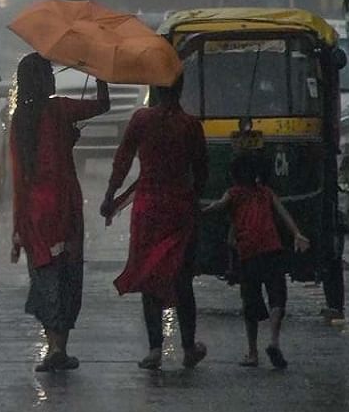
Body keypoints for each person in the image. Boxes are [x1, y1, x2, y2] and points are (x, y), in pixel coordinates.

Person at [10, 53, 110, 371]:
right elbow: (101, 105)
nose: (54, 78)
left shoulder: (19, 120)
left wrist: (17, 228)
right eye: (49, 73)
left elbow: (18, 178)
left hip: (35, 213)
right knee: (67, 275)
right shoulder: (59, 109)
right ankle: (60, 347)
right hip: (65, 207)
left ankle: (53, 345)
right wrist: (99, 73)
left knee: (44, 276)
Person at [102, 76, 209, 370]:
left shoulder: (141, 120)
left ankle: (154, 349)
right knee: (182, 278)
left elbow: (122, 160)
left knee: (149, 274)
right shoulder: (190, 126)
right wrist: (193, 199)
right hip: (178, 209)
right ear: (180, 90)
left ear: (157, 89)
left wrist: (110, 195)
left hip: (147, 210)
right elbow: (201, 171)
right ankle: (188, 346)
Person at [203, 153, 309, 369]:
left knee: (250, 304)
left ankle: (252, 352)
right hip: (272, 249)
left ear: (233, 175)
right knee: (277, 297)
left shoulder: (233, 194)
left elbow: (219, 206)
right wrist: (297, 234)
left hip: (249, 254)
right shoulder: (266, 193)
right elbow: (283, 213)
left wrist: (201, 211)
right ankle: (274, 341)